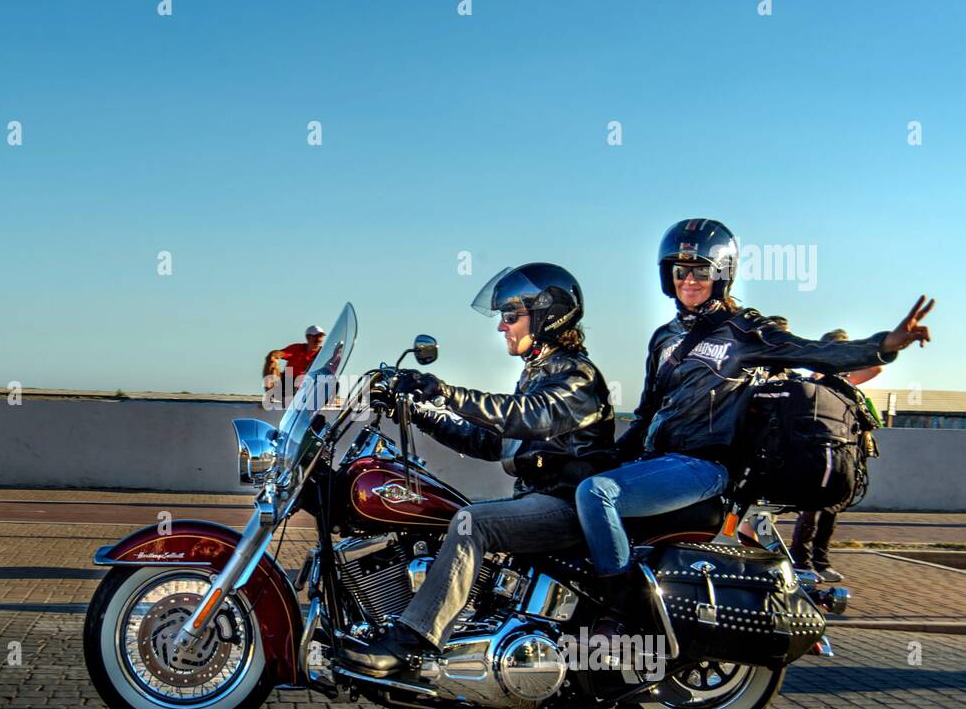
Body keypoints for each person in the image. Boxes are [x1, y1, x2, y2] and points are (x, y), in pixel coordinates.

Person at [575, 218, 934, 624]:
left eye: (700, 270)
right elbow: (645, 415)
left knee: (596, 494)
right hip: (658, 463)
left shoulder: (743, 330)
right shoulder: (663, 338)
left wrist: (884, 346)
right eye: (679, 270)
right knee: (575, 488)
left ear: (721, 275)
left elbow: (813, 352)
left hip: (703, 465)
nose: (688, 280)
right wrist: (601, 457)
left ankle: (620, 613)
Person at [336, 264, 618, 675]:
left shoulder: (576, 375)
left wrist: (445, 391)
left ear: (545, 315)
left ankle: (412, 641)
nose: (502, 327)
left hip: (568, 505)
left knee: (474, 523)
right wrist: (417, 412)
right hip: (536, 499)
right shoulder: (537, 374)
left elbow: (528, 416)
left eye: (510, 316)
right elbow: (487, 441)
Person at [788, 328, 884, 582]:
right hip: (817, 455)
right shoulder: (814, 383)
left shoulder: (846, 383)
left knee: (832, 509)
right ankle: (801, 560)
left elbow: (876, 368)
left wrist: (858, 352)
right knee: (811, 509)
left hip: (844, 454)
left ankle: (821, 560)